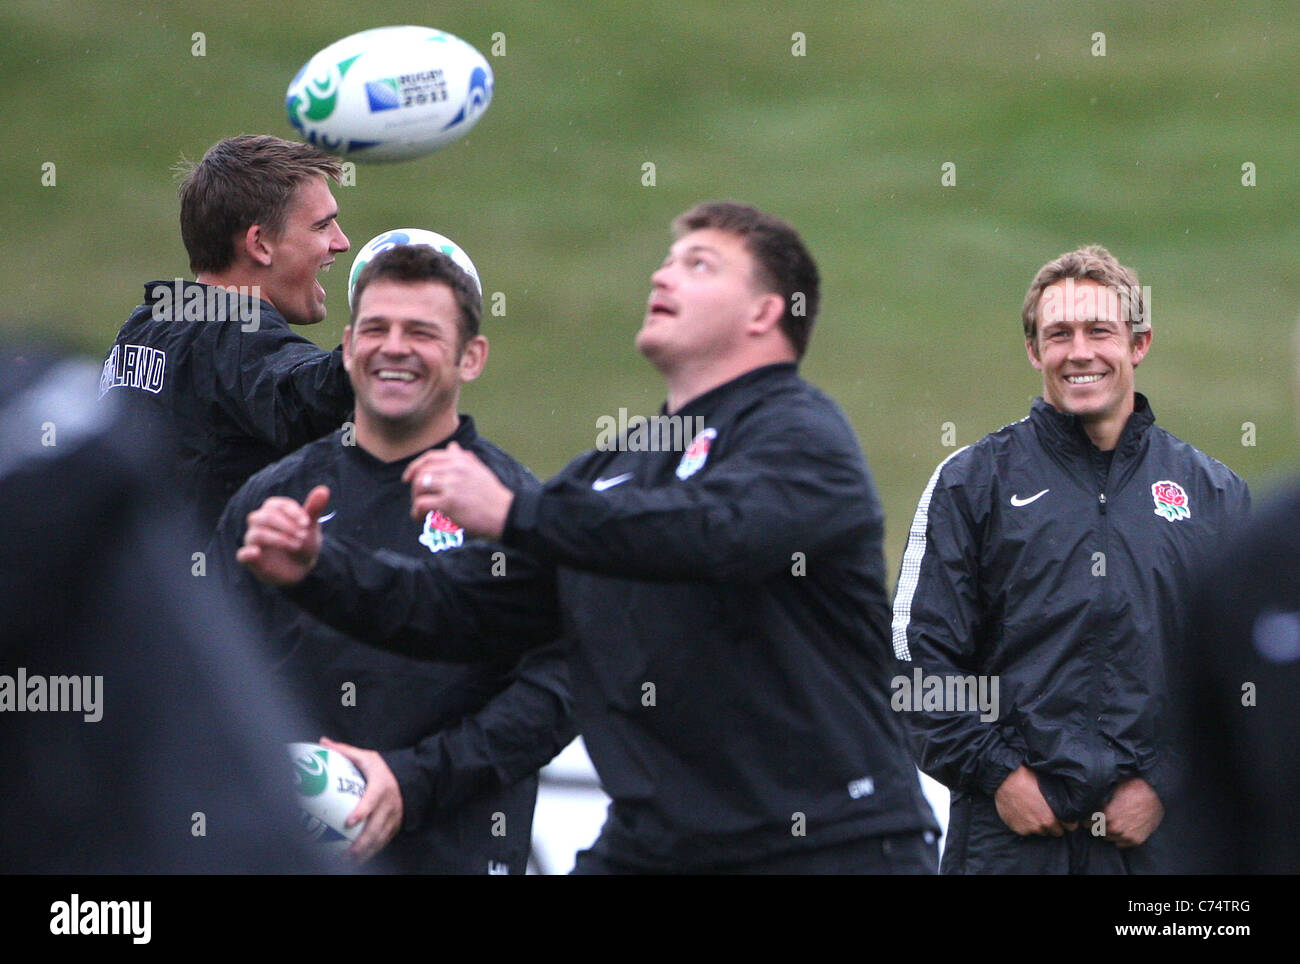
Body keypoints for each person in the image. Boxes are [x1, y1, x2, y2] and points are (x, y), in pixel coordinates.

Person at [238, 201, 941, 874]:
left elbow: (713, 534)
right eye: (665, 261)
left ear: (764, 312)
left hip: (825, 845)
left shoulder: (801, 432)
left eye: (698, 264)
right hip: (658, 846)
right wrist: (318, 568)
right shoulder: (616, 471)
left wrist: (520, 514)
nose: (663, 275)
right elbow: (468, 606)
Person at [210, 245, 574, 873]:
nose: (394, 347)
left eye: (422, 332)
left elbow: (557, 695)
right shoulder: (271, 500)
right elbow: (206, 668)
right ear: (348, 347)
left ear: (471, 357)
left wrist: (410, 781)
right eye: (376, 328)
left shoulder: (511, 510)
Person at [891, 245, 1250, 874]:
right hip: (1006, 842)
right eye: (1059, 334)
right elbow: (916, 657)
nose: (1079, 351)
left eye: (1099, 331)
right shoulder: (971, 482)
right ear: (1035, 352)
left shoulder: (1214, 495)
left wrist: (1164, 782)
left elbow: (1243, 673)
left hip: (1161, 849)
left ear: (1139, 344)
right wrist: (999, 774)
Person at [0, 345, 336, 873]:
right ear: (259, 254)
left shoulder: (142, 335)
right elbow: (308, 394)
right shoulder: (56, 435)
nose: (334, 254)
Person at [100, 134, 354, 542]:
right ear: (260, 244)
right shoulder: (232, 334)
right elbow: (306, 396)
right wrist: (396, 331)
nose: (341, 243)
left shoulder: (147, 324)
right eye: (322, 225)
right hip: (203, 600)